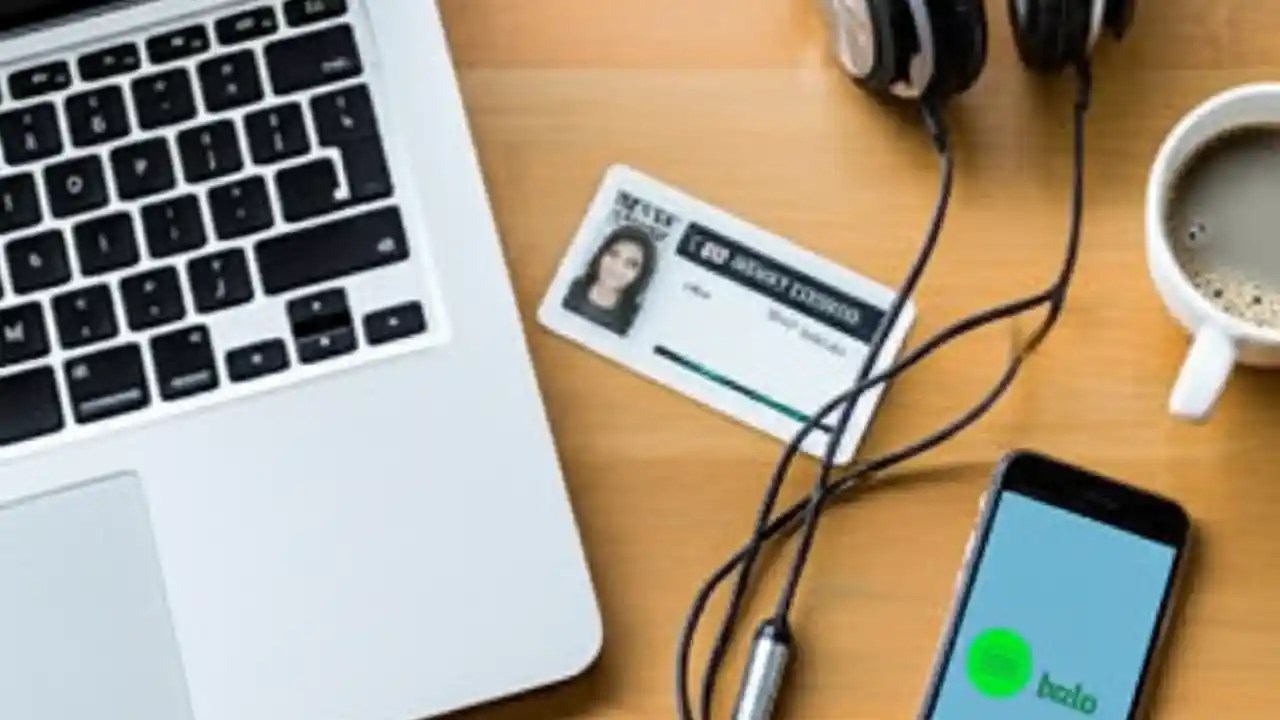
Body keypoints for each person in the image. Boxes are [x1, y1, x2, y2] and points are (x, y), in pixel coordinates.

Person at [562, 225, 658, 335]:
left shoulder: (633, 319)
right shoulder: (570, 288)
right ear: (601, 254)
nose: (617, 267)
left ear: (641, 274)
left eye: (631, 264)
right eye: (613, 255)